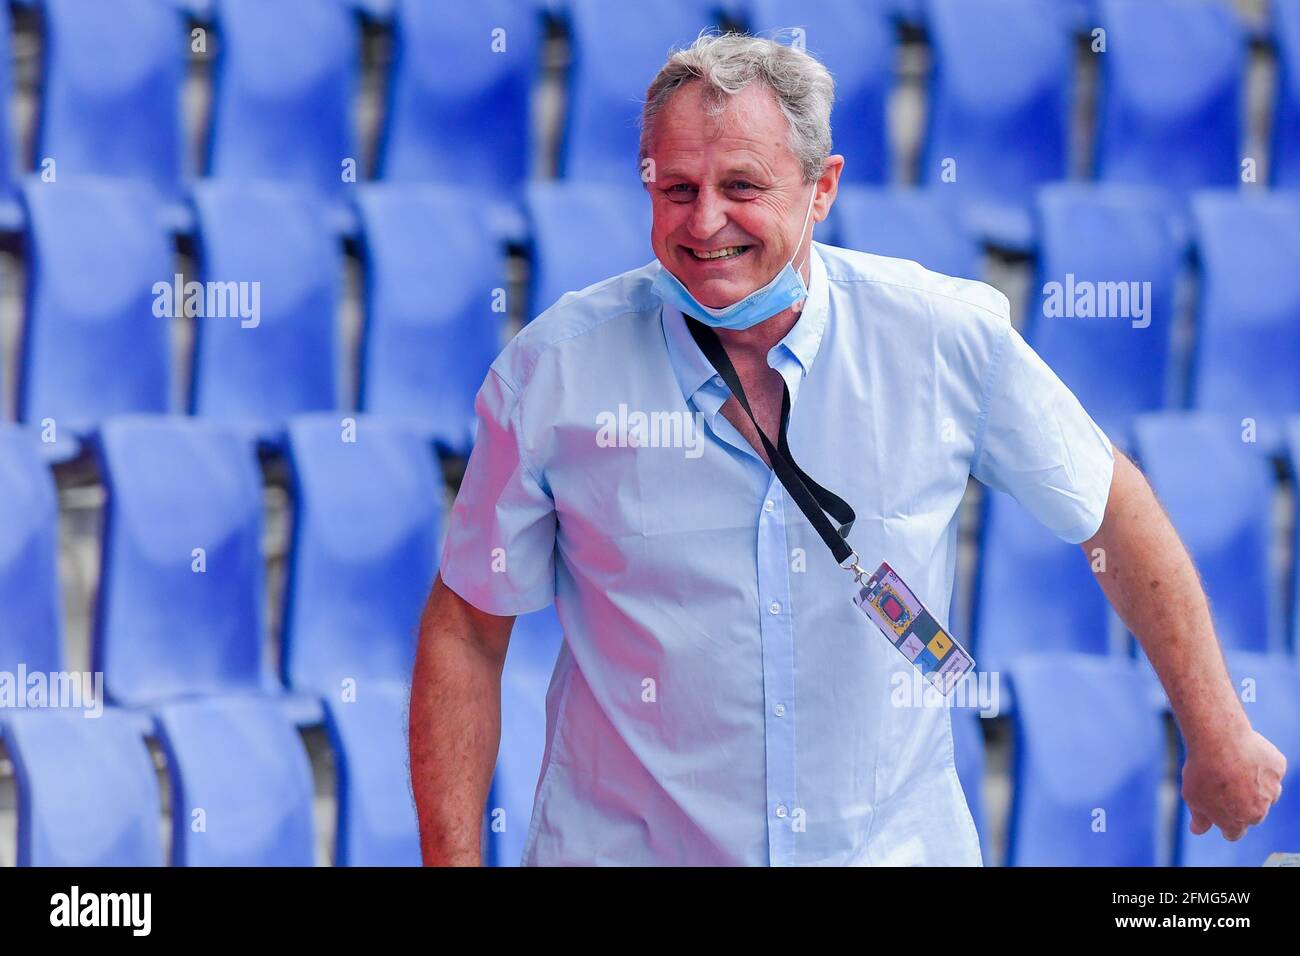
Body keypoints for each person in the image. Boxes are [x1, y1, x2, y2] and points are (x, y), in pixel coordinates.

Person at [409, 33, 1285, 866]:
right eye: (676, 189)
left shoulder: (944, 338)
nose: (705, 221)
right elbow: (466, 627)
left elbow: (1113, 512)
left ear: (821, 188)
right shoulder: (551, 373)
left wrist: (1216, 731)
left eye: (742, 187)